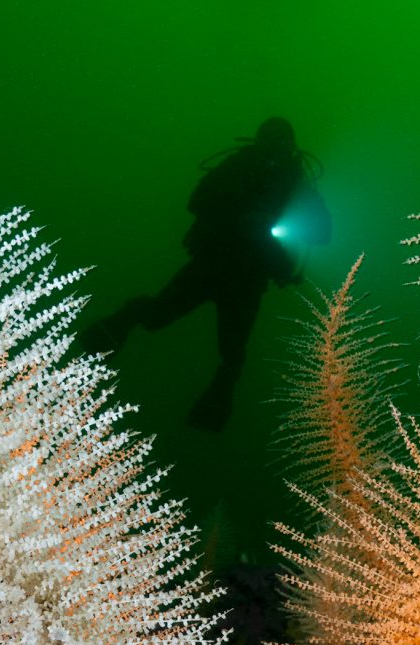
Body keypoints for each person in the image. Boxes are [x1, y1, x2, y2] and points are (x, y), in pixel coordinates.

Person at [85, 117, 329, 430]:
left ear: (290, 149)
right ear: (258, 144)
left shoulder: (297, 184)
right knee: (159, 317)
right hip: (214, 262)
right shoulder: (238, 166)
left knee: (231, 355)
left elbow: (324, 232)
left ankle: (211, 411)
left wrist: (280, 223)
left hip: (248, 276)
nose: (272, 156)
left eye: (279, 148)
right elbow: (196, 201)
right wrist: (240, 216)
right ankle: (118, 324)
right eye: (269, 147)